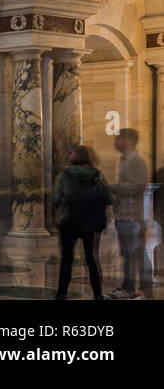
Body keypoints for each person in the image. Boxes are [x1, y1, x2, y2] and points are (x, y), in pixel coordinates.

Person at [53, 144, 112, 300]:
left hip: (68, 222)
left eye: (71, 152)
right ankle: (98, 295)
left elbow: (56, 199)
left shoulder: (64, 175)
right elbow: (108, 198)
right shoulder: (97, 175)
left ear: (75, 156)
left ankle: (61, 294)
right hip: (91, 224)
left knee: (66, 260)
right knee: (92, 259)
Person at [109, 128, 151, 299]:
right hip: (125, 215)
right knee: (129, 254)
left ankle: (143, 291)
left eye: (119, 138)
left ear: (130, 141)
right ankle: (128, 287)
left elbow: (137, 186)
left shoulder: (135, 160)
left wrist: (115, 187)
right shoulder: (126, 159)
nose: (116, 142)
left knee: (135, 254)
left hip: (132, 215)